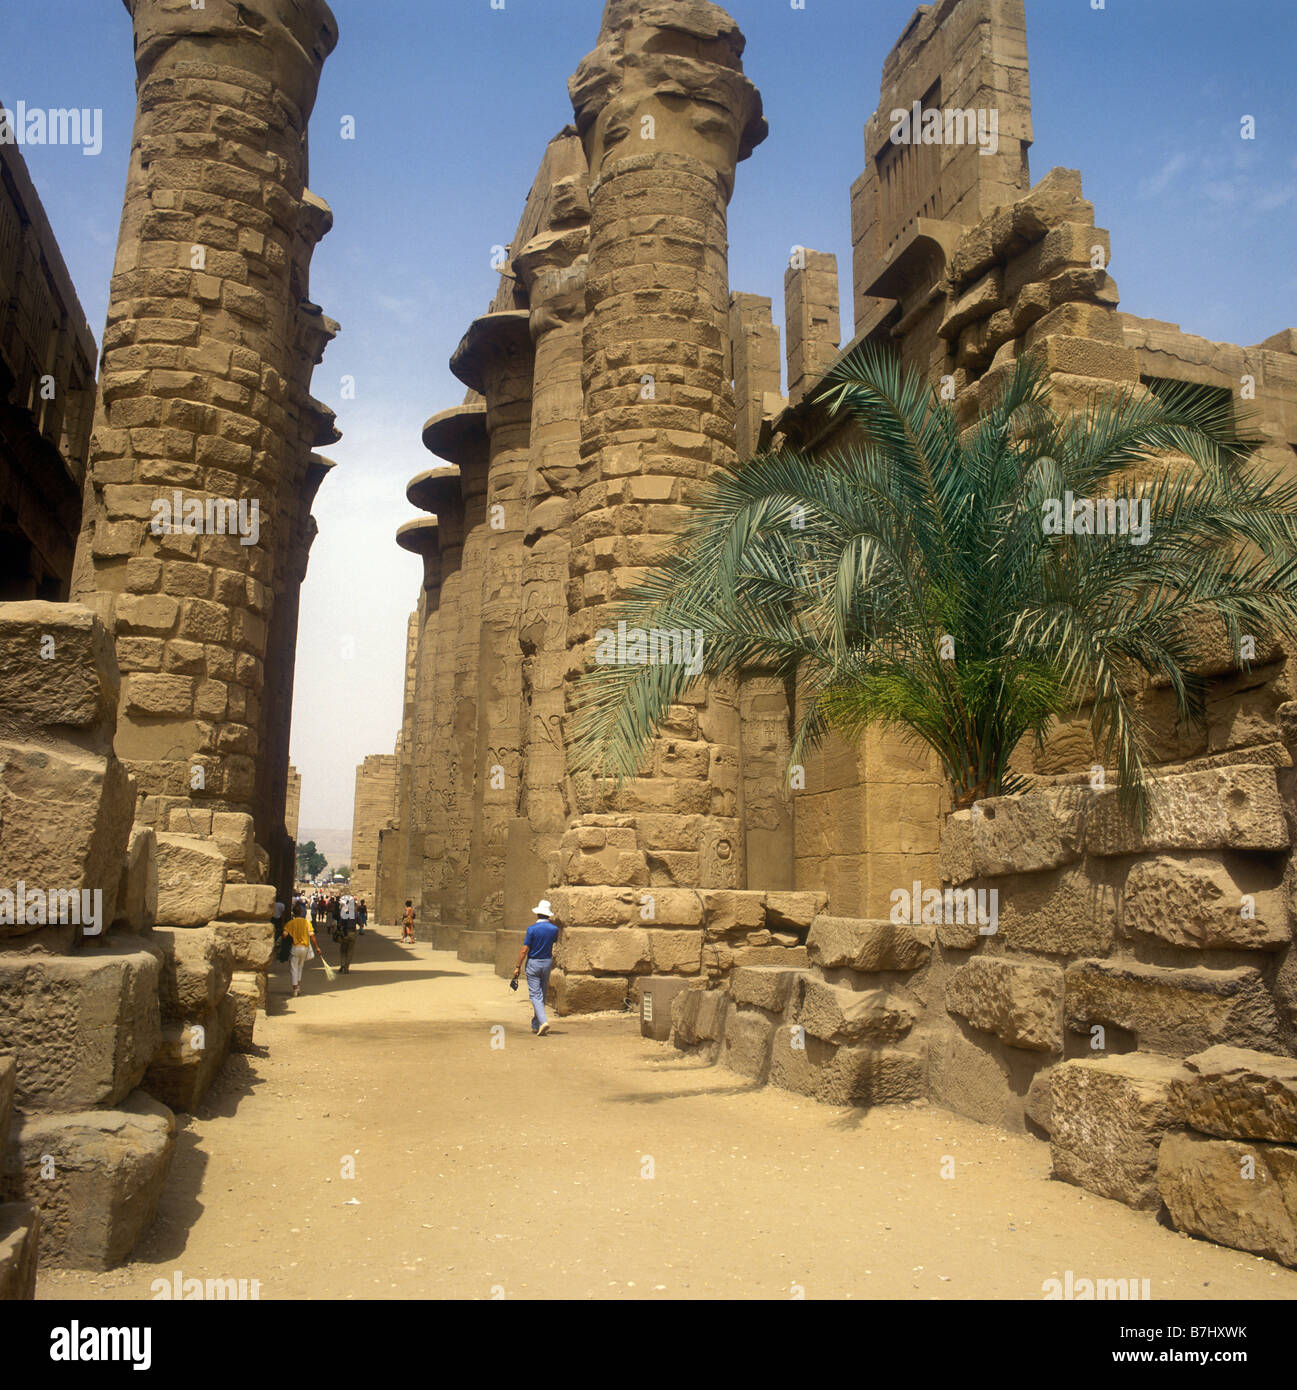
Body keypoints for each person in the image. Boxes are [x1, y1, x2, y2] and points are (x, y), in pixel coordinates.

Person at [512, 900, 559, 1036]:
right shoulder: (554, 929)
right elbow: (553, 941)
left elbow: (524, 950)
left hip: (533, 963)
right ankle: (535, 1023)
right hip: (547, 962)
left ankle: (543, 1021)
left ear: (538, 914)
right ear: (548, 915)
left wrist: (517, 966)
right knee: (542, 994)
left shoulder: (532, 929)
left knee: (535, 995)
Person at [283, 906, 320, 998]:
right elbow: (312, 936)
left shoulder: (290, 923)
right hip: (304, 948)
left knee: (293, 968)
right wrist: (317, 947)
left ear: (293, 913)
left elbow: (284, 935)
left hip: (295, 947)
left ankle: (295, 989)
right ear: (301, 913)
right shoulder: (307, 923)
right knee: (300, 967)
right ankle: (298, 987)